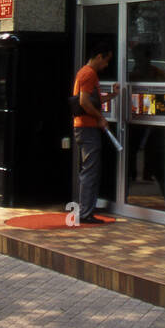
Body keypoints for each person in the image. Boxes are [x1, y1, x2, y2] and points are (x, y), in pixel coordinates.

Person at [71, 44, 113, 224]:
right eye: (106, 60)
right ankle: (85, 212)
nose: (106, 65)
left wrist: (113, 96)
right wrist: (100, 119)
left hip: (85, 128)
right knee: (90, 170)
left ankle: (86, 210)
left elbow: (93, 100)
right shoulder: (89, 74)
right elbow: (85, 102)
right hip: (87, 128)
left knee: (90, 169)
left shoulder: (85, 73)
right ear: (98, 56)